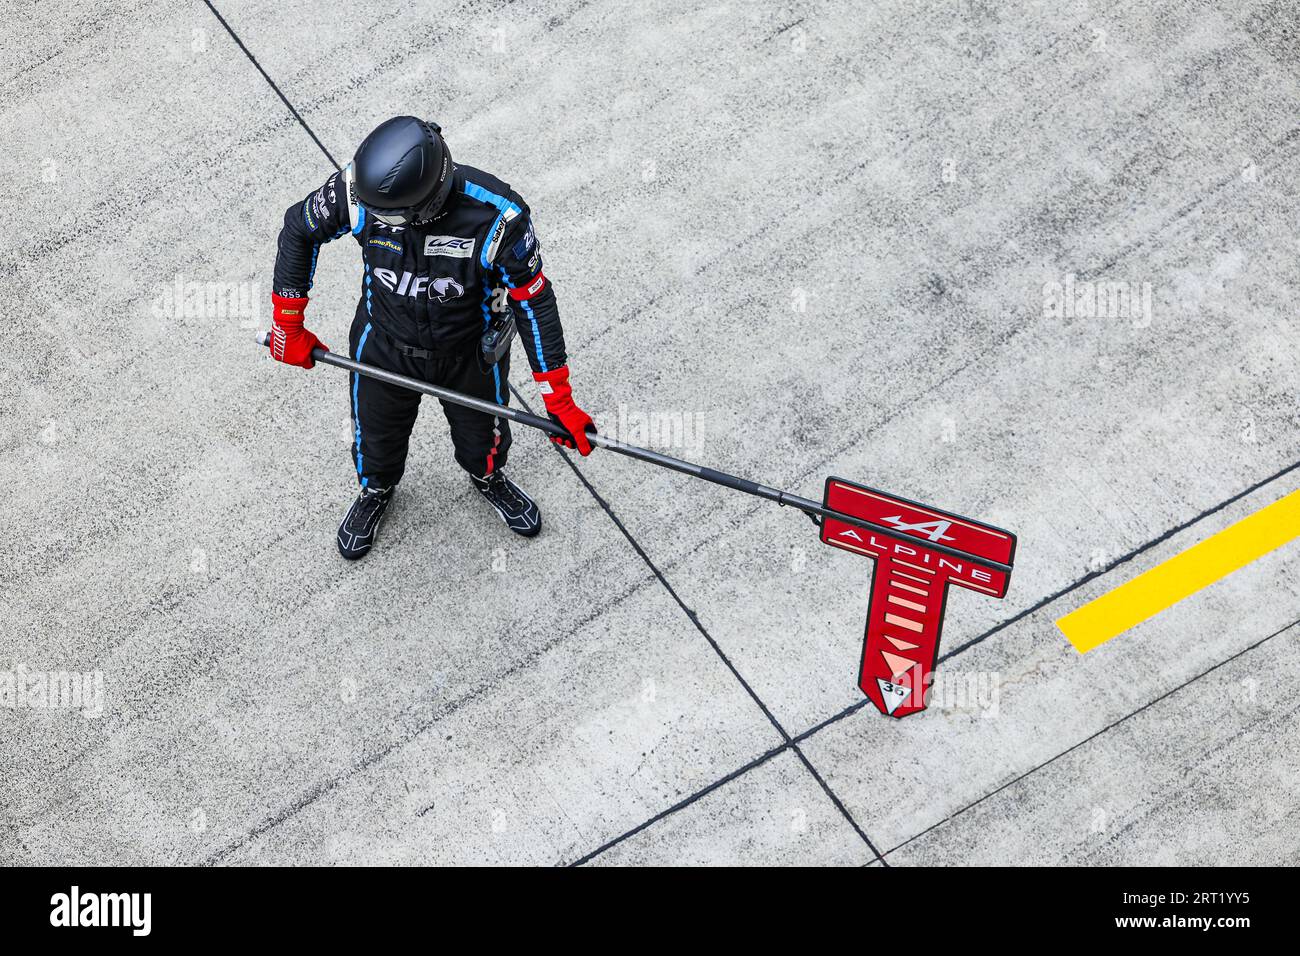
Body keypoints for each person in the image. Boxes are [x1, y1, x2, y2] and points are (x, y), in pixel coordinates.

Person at [269, 116, 596, 558]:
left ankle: (488, 477)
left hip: (469, 352)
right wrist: (287, 324)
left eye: (387, 216)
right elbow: (298, 229)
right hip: (381, 343)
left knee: (484, 439)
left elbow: (533, 300)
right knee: (375, 437)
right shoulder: (360, 190)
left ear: (426, 201)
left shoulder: (500, 216)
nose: (371, 220)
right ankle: (376, 490)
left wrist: (559, 399)